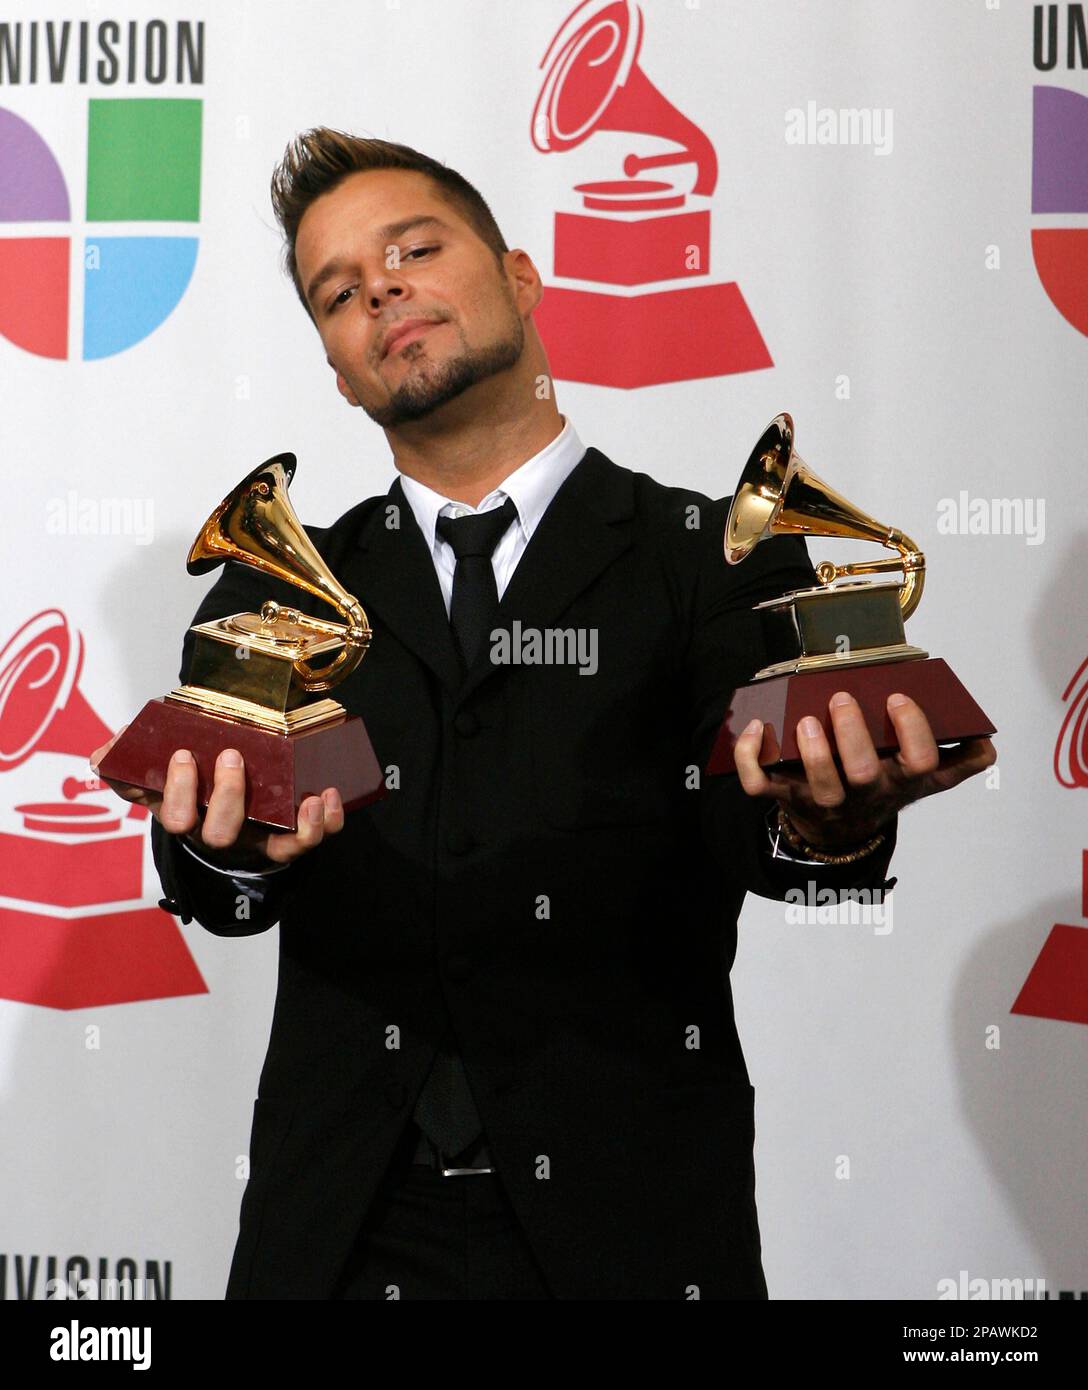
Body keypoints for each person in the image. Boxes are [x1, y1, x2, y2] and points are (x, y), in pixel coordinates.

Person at [92, 130, 996, 1300]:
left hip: (631, 1233)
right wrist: (224, 852)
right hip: (338, 1236)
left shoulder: (708, 559)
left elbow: (773, 849)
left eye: (413, 248)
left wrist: (834, 824)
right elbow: (216, 896)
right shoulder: (274, 586)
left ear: (521, 278)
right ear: (336, 368)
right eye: (338, 291)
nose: (381, 289)